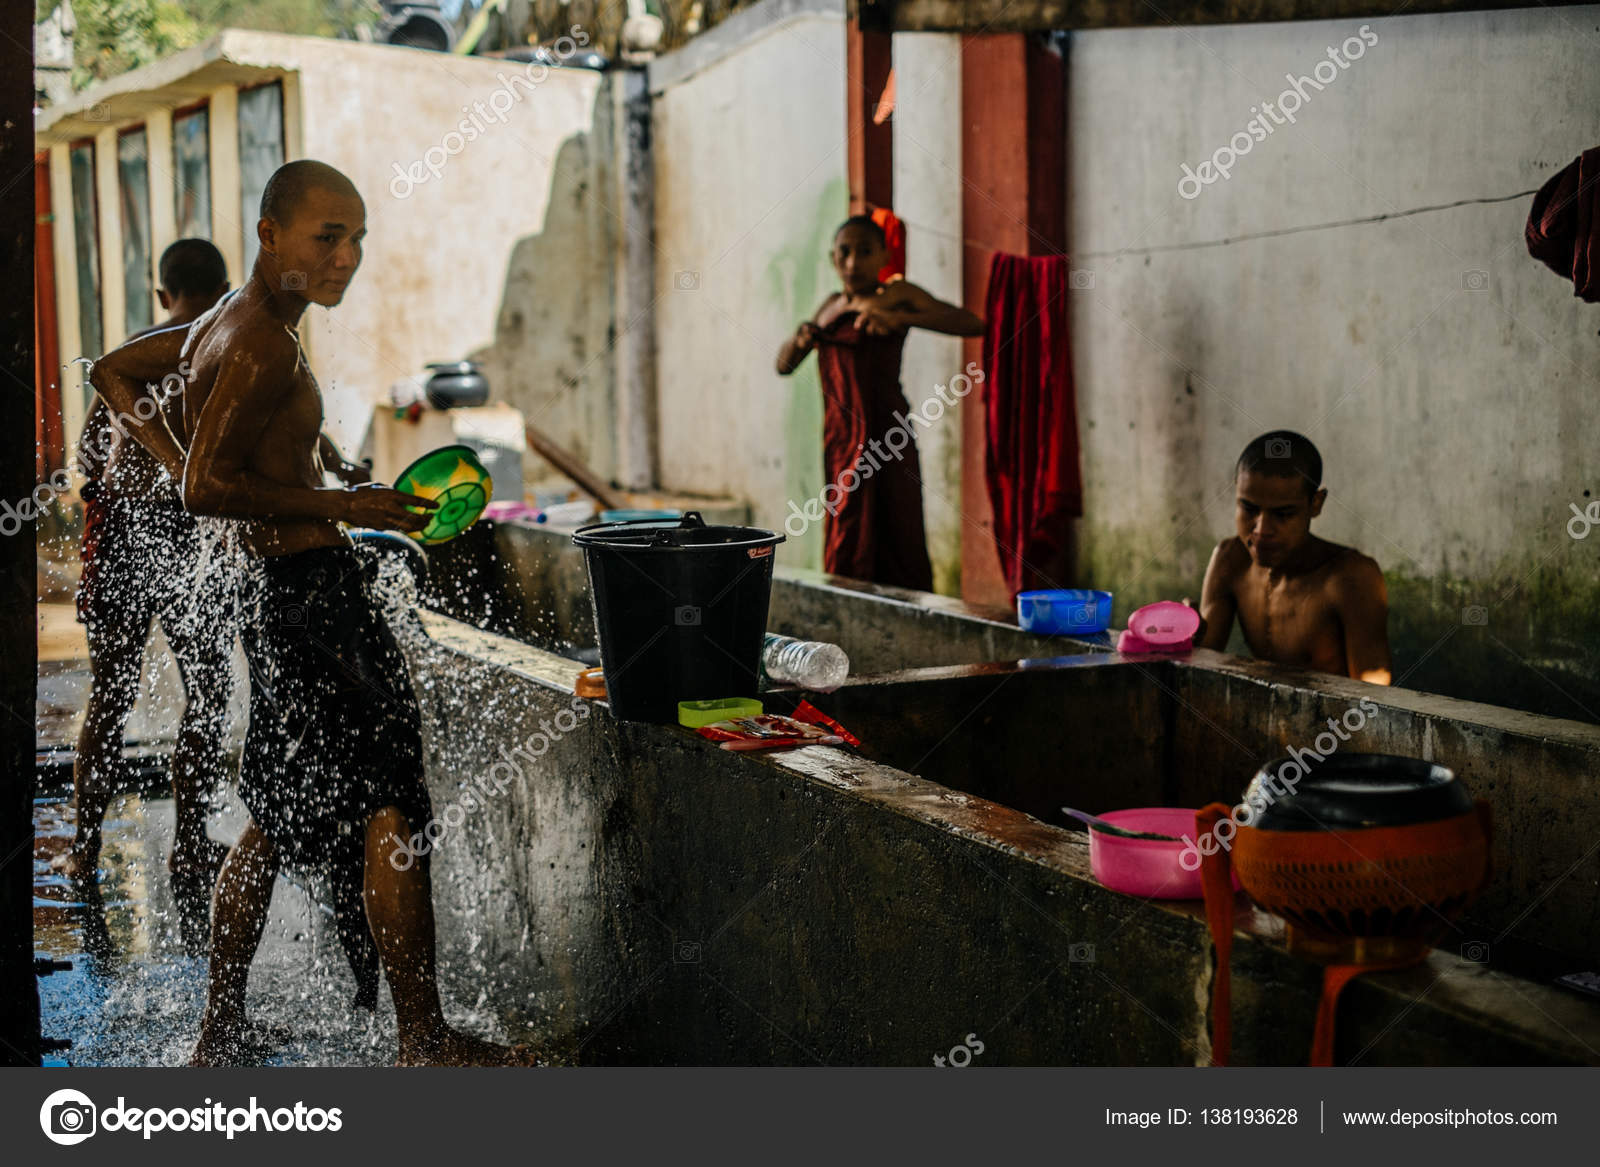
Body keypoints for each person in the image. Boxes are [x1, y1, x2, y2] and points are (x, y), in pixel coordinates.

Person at [90, 159, 530, 1066]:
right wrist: (342, 507)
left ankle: (220, 1030)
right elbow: (212, 489)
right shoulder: (262, 343)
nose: (348, 256)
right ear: (269, 235)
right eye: (328, 236)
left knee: (275, 812)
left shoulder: (218, 322)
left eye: (359, 237)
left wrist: (307, 482)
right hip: (317, 600)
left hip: (275, 602)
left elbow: (109, 374)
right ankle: (423, 1038)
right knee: (391, 803)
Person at [62, 239, 234, 952]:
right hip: (190, 529)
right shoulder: (224, 348)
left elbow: (84, 466)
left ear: (163, 294)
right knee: (209, 687)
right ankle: (191, 845)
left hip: (126, 529)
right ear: (224, 288)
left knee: (109, 693)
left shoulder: (132, 353)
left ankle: (83, 847)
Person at [775, 215, 983, 591]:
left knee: (897, 527)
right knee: (848, 529)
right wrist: (801, 339)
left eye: (865, 252)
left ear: (884, 255)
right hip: (840, 439)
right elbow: (783, 366)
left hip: (887, 436)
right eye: (845, 252)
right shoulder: (830, 306)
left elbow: (971, 322)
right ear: (832, 258)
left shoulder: (895, 295)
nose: (853, 262)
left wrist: (899, 317)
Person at [1192, 431, 1392, 684]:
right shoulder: (1229, 561)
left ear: (1316, 504)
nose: (1262, 530)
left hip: (1334, 722)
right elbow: (1200, 665)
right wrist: (1188, 639)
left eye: (1283, 514)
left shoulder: (1351, 578)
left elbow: (1373, 698)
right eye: (1249, 508)